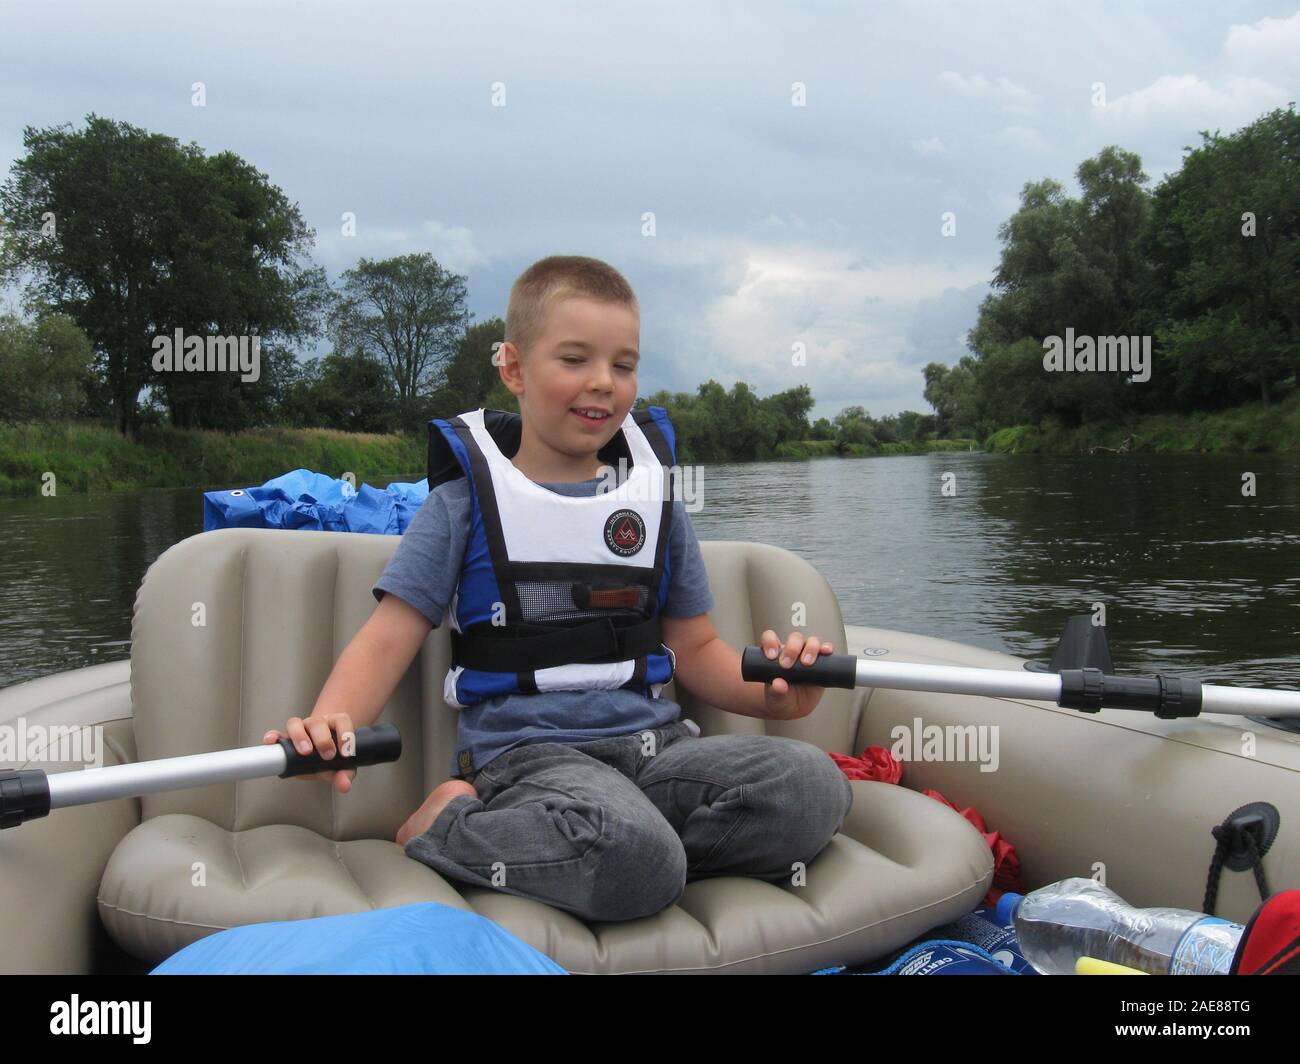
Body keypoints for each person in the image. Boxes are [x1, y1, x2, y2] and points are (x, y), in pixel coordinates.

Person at [264, 255, 853, 922]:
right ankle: (445, 825)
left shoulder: (658, 504)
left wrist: (779, 700)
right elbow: (386, 640)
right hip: (528, 758)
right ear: (513, 368)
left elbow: (699, 649)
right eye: (574, 359)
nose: (602, 383)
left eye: (623, 365)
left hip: (658, 750)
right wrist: (328, 724)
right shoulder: (462, 507)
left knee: (811, 789)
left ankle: (624, 851)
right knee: (636, 856)